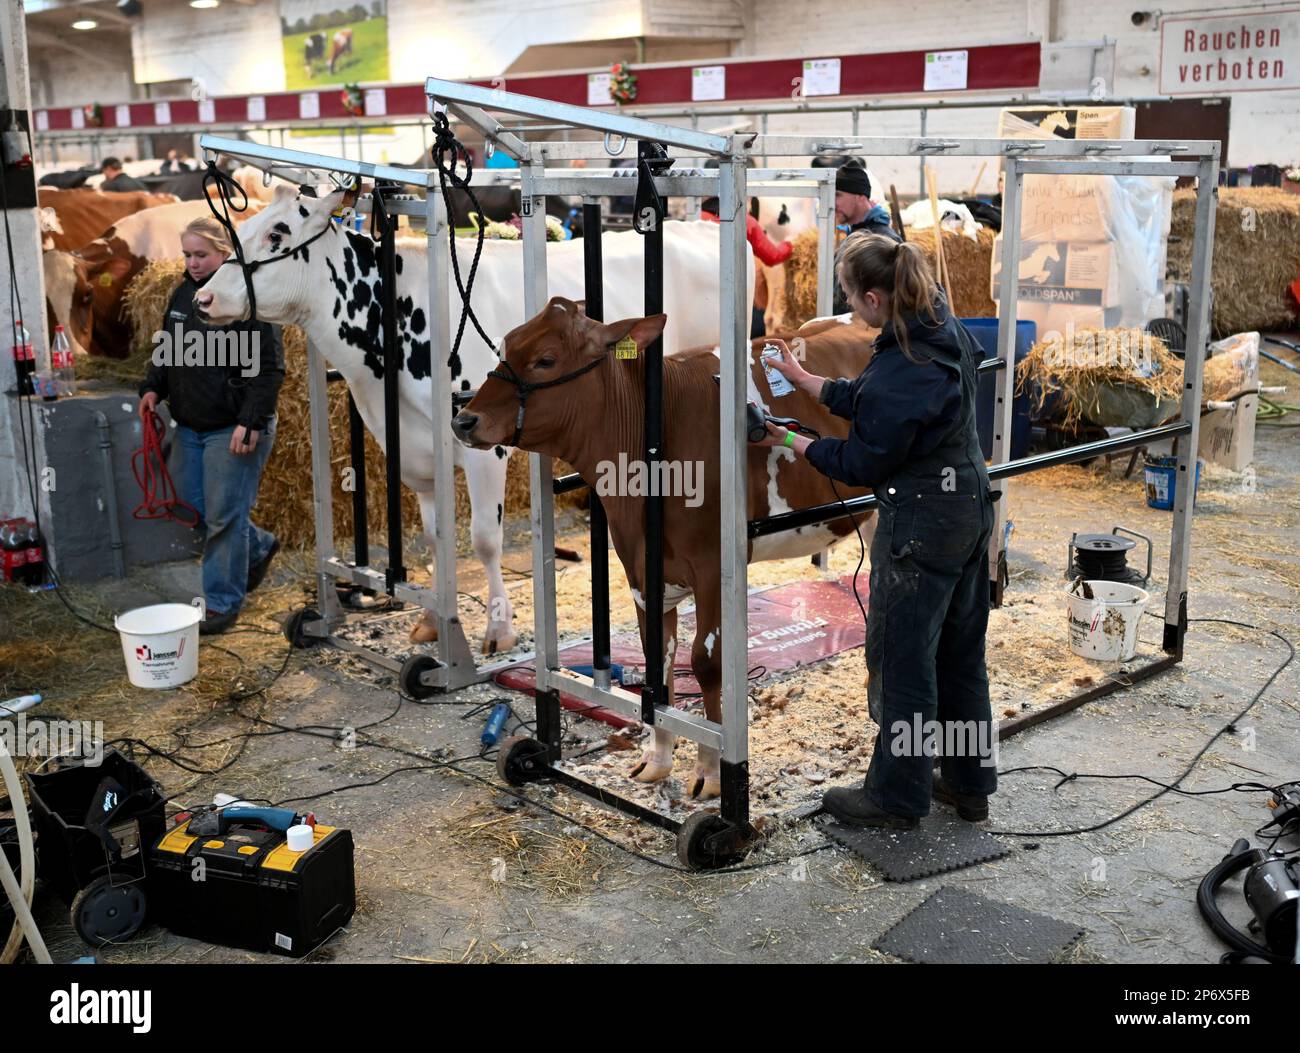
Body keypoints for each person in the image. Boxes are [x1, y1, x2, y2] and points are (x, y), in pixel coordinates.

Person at [759, 233, 997, 829]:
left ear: (872, 299)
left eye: (847, 295)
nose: (847, 305)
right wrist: (805, 380)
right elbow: (875, 398)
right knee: (961, 653)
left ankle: (897, 797)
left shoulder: (902, 365)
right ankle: (968, 783)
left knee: (902, 659)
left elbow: (863, 463)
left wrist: (787, 439)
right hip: (968, 508)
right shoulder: (938, 326)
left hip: (922, 523)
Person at [139, 217, 285, 634]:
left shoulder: (248, 297)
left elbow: (270, 368)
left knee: (223, 517)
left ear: (225, 252)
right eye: (187, 254)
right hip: (190, 425)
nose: (193, 262)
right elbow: (168, 346)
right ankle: (257, 545)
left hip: (231, 428)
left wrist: (251, 422)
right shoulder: (184, 292)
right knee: (192, 504)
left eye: (201, 254)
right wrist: (152, 387)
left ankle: (221, 603)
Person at [831, 160, 901, 313]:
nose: (832, 202)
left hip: (865, 332)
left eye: (837, 195)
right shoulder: (854, 237)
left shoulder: (882, 240)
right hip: (844, 329)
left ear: (860, 197)